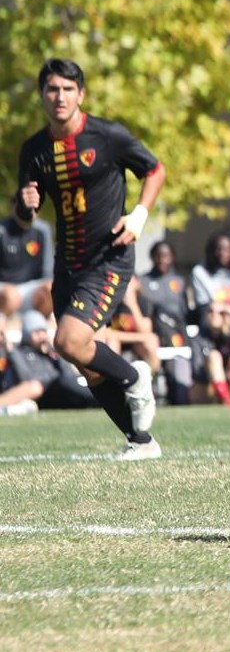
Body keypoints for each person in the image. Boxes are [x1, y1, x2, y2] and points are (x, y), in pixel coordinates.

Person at [13, 58, 165, 459]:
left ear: (80, 94)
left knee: (69, 339)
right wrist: (24, 206)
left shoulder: (107, 136)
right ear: (42, 95)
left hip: (108, 259)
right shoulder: (35, 149)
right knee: (84, 360)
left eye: (67, 89)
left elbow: (155, 169)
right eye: (51, 89)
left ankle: (135, 376)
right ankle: (142, 442)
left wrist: (140, 215)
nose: (59, 96)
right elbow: (24, 218)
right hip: (67, 265)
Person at [0, 311, 97, 416]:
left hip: (56, 390)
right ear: (27, 334)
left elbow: (68, 375)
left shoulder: (50, 353)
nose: (42, 336)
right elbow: (24, 378)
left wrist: (56, 352)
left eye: (43, 332)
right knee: (35, 387)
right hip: (39, 391)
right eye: (37, 332)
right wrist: (10, 350)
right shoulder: (19, 352)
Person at [139, 241, 194, 406]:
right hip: (151, 334)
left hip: (175, 335)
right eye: (159, 255)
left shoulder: (179, 281)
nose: (163, 259)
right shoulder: (143, 282)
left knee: (178, 370)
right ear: (152, 257)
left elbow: (184, 312)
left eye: (167, 256)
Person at [0, 208, 53, 321]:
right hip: (6, 288)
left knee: (51, 289)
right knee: (11, 296)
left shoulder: (43, 230)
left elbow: (48, 271)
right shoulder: (2, 230)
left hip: (30, 289)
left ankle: (40, 325)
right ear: (14, 206)